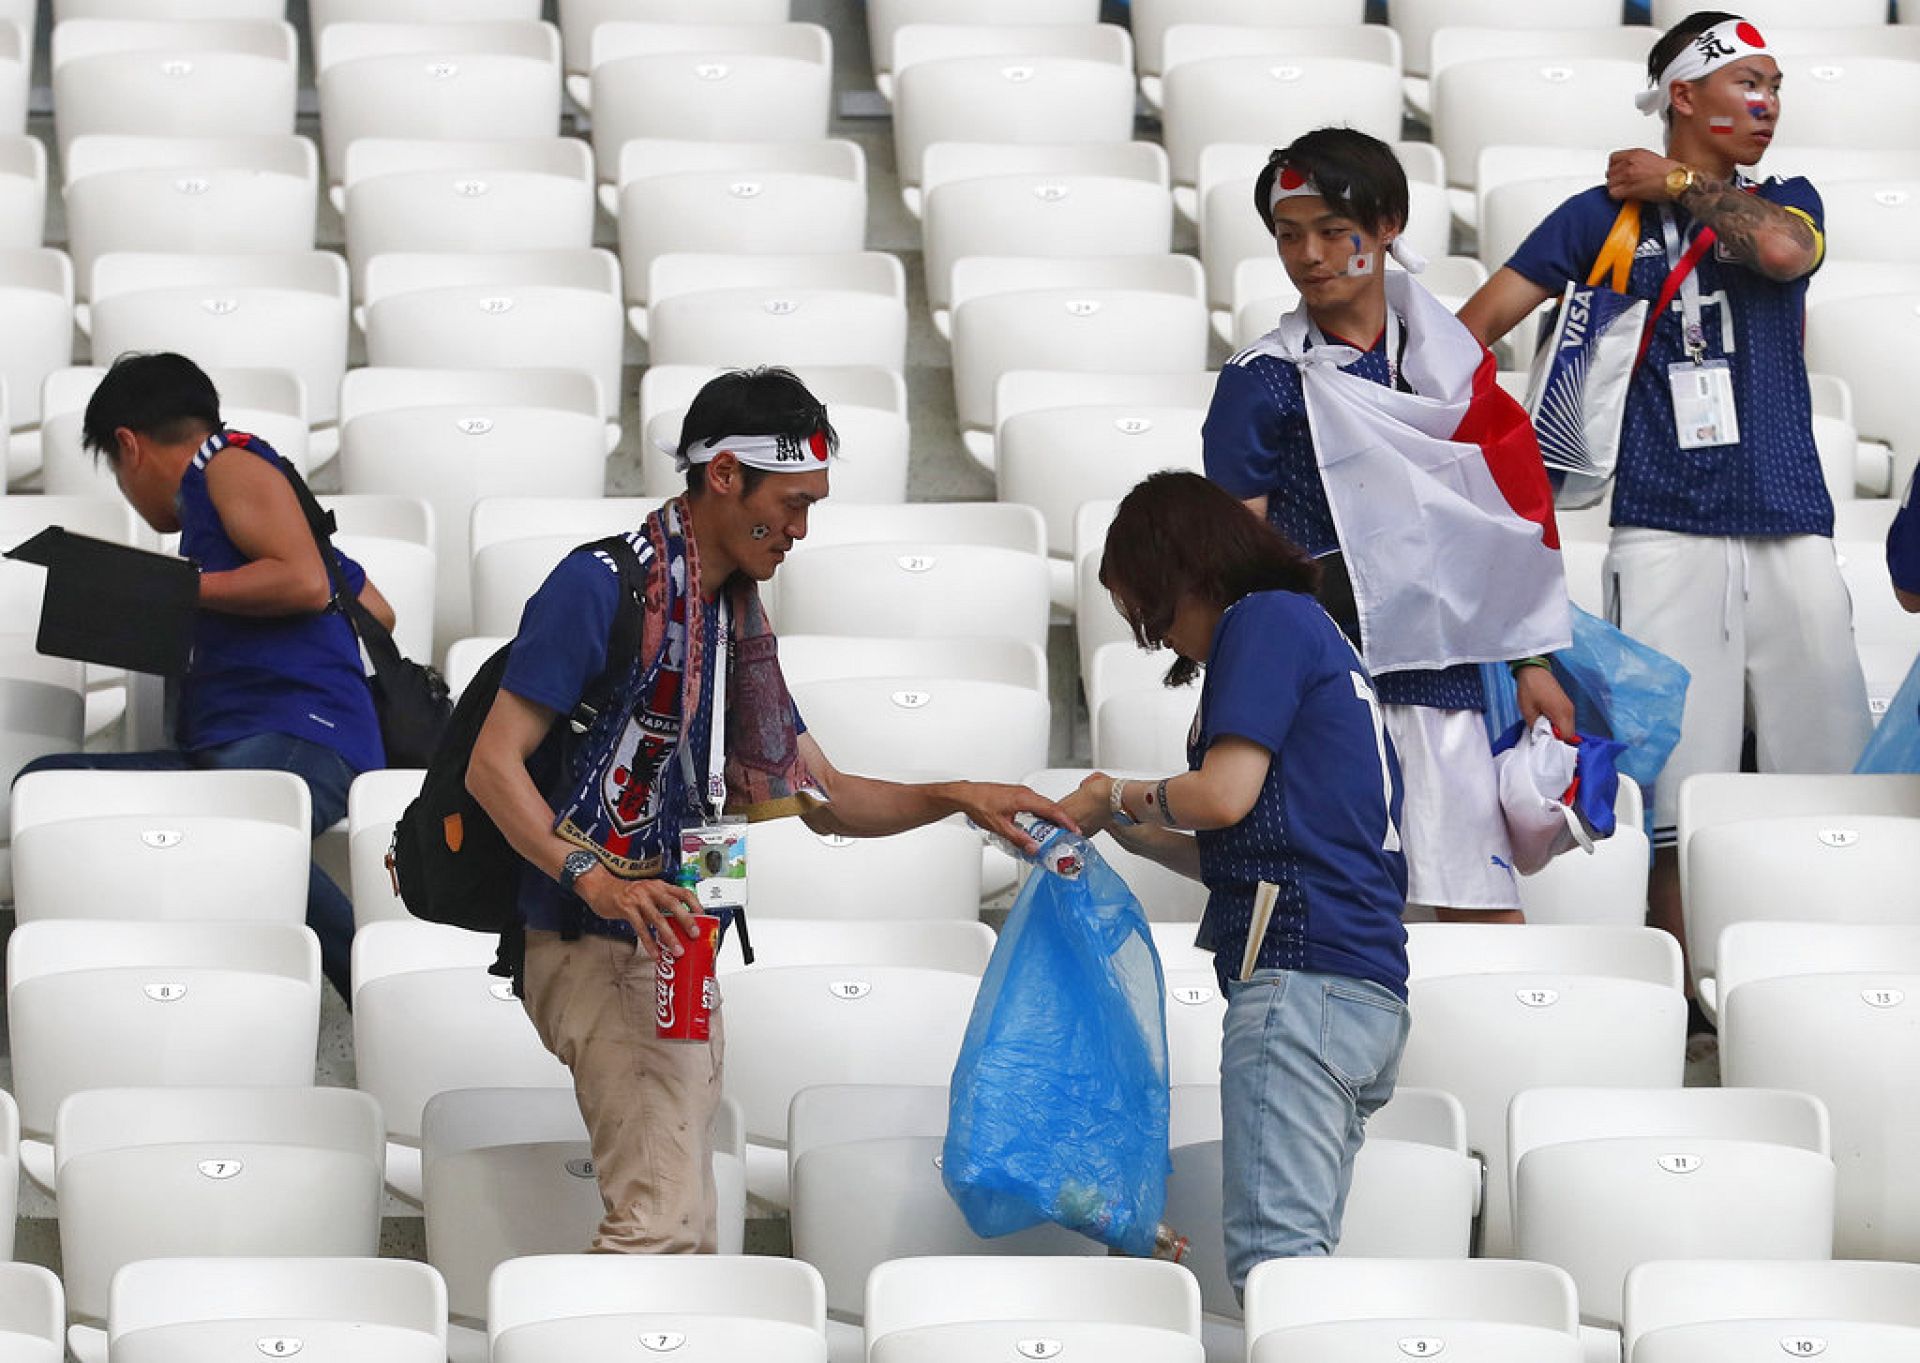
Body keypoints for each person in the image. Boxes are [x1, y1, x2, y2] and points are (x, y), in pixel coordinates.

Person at [464, 366, 1071, 1256]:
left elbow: (820, 795)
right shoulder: (597, 585)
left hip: (681, 937)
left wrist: (957, 796)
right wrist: (594, 880)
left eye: (812, 505)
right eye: (790, 504)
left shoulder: (728, 608)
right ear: (722, 476)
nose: (800, 529)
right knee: (659, 1232)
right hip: (604, 939)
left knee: (690, 1228)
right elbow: (491, 765)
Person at [1457, 11, 1873, 962]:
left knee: (1825, 778)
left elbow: (1783, 255)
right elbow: (1470, 331)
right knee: (1676, 791)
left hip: (1790, 522)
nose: (1768, 107)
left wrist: (1684, 185)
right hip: (1663, 529)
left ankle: (1828, 961)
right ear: (1684, 95)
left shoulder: (1789, 198)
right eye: (1747, 86)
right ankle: (1684, 990)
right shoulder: (1598, 217)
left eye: (1776, 90)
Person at [1203, 126, 1575, 927]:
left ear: (1387, 227)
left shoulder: (1451, 368)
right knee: (1354, 926)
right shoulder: (1259, 383)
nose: (1311, 254)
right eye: (1289, 235)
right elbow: (1232, 570)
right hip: (1325, 693)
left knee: (1482, 917)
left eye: (1335, 232)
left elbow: (1502, 524)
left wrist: (1532, 661)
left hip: (1446, 685)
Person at [1060, 470, 1409, 1296]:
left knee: (1277, 1270)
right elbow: (1246, 845)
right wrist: (1129, 830)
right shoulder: (1314, 631)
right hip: (1360, 992)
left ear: (1184, 572)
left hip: (1300, 984)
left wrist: (1112, 792)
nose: (1161, 640)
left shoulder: (1264, 620)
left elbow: (1221, 796)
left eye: (1151, 612)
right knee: (1301, 1273)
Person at [16, 351, 392, 1001]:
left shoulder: (228, 462)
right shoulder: (246, 503)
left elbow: (303, 582)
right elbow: (374, 607)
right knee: (48, 790)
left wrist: (174, 591)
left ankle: (380, 988)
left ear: (128, 446)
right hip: (225, 750)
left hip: (296, 732)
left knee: (241, 836)